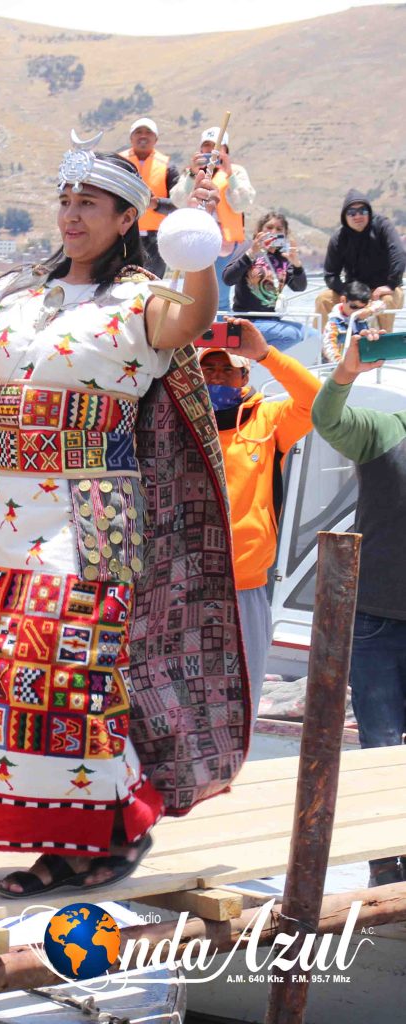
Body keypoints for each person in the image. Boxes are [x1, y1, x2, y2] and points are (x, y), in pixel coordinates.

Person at [0, 135, 250, 897]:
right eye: (65, 201)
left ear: (125, 221)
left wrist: (199, 251)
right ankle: (57, 833)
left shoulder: (144, 302)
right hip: (5, 516)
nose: (71, 215)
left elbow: (196, 316)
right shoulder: (19, 303)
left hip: (90, 516)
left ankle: (96, 835)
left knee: (68, 669)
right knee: (4, 669)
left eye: (89, 204)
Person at [311, 330, 406, 887]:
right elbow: (327, 419)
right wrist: (346, 372)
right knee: (379, 746)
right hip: (373, 622)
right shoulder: (384, 431)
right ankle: (384, 865)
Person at [198, 322, 320, 720]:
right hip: (184, 582)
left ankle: (239, 776)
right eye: (208, 369)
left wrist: (266, 353)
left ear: (245, 376)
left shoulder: (268, 420)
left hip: (245, 586)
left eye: (226, 370)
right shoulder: (178, 420)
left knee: (240, 696)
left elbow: (317, 403)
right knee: (183, 694)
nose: (217, 378)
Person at [171, 127, 256, 313]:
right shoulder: (192, 172)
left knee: (220, 295)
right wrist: (192, 174)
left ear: (225, 150)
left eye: (217, 147)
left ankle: (218, 339)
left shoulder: (237, 172)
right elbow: (178, 201)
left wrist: (229, 173)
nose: (211, 151)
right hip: (195, 239)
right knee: (193, 293)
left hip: (224, 242)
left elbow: (242, 203)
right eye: (207, 146)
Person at [314, 192, 406, 334]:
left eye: (362, 211)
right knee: (323, 299)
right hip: (354, 291)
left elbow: (398, 253)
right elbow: (331, 275)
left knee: (385, 300)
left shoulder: (382, 226)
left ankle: (381, 349)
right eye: (351, 212)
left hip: (386, 289)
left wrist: (391, 284)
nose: (357, 216)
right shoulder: (339, 238)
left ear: (369, 212)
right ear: (345, 216)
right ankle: (320, 347)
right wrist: (349, 293)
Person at [223, 211, 313, 351]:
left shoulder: (283, 257)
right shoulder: (247, 248)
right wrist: (251, 254)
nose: (273, 232)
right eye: (269, 228)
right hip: (247, 320)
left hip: (272, 320)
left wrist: (296, 264)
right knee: (290, 335)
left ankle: (288, 369)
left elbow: (299, 287)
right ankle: (259, 364)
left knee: (313, 336)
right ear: (260, 231)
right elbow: (228, 279)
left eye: (278, 229)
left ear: (284, 233)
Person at [120, 117, 180, 278]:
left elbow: (179, 205)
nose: (143, 136)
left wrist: (157, 204)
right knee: (121, 283)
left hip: (156, 240)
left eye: (148, 132)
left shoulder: (168, 166)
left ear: (156, 139)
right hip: (123, 235)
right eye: (138, 132)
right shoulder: (117, 163)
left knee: (152, 285)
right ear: (131, 138)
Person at [320, 281, 375, 364]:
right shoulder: (334, 323)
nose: (357, 311)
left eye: (361, 308)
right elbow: (329, 346)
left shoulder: (361, 317)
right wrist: (341, 365)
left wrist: (369, 310)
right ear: (343, 300)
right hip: (338, 367)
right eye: (353, 306)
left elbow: (381, 305)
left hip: (359, 364)